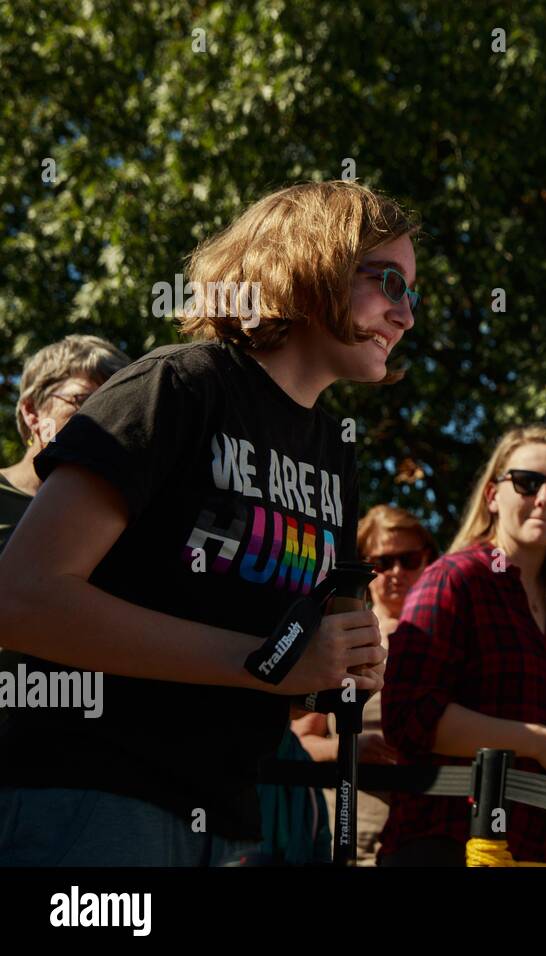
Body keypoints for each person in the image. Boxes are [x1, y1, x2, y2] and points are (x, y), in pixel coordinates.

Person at [0, 180, 413, 865]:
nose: (406, 315)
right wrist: (266, 665)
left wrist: (337, 661)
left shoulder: (332, 449)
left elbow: (282, 658)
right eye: (391, 281)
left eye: (411, 294)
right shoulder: (175, 388)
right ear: (309, 262)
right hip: (91, 805)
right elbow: (20, 598)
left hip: (229, 819)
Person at [380, 426, 546, 865]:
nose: (545, 497)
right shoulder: (454, 578)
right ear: (492, 495)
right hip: (449, 841)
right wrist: (541, 742)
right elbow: (408, 714)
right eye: (527, 482)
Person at [293, 504, 435, 865]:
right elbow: (298, 743)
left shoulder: (446, 644)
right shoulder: (337, 637)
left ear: (428, 560)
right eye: (383, 563)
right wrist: (350, 748)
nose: (396, 573)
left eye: (409, 559)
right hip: (349, 837)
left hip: (431, 837)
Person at [0, 334, 130, 556]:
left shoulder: (119, 517)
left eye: (115, 408)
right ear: (32, 411)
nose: (105, 418)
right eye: (84, 401)